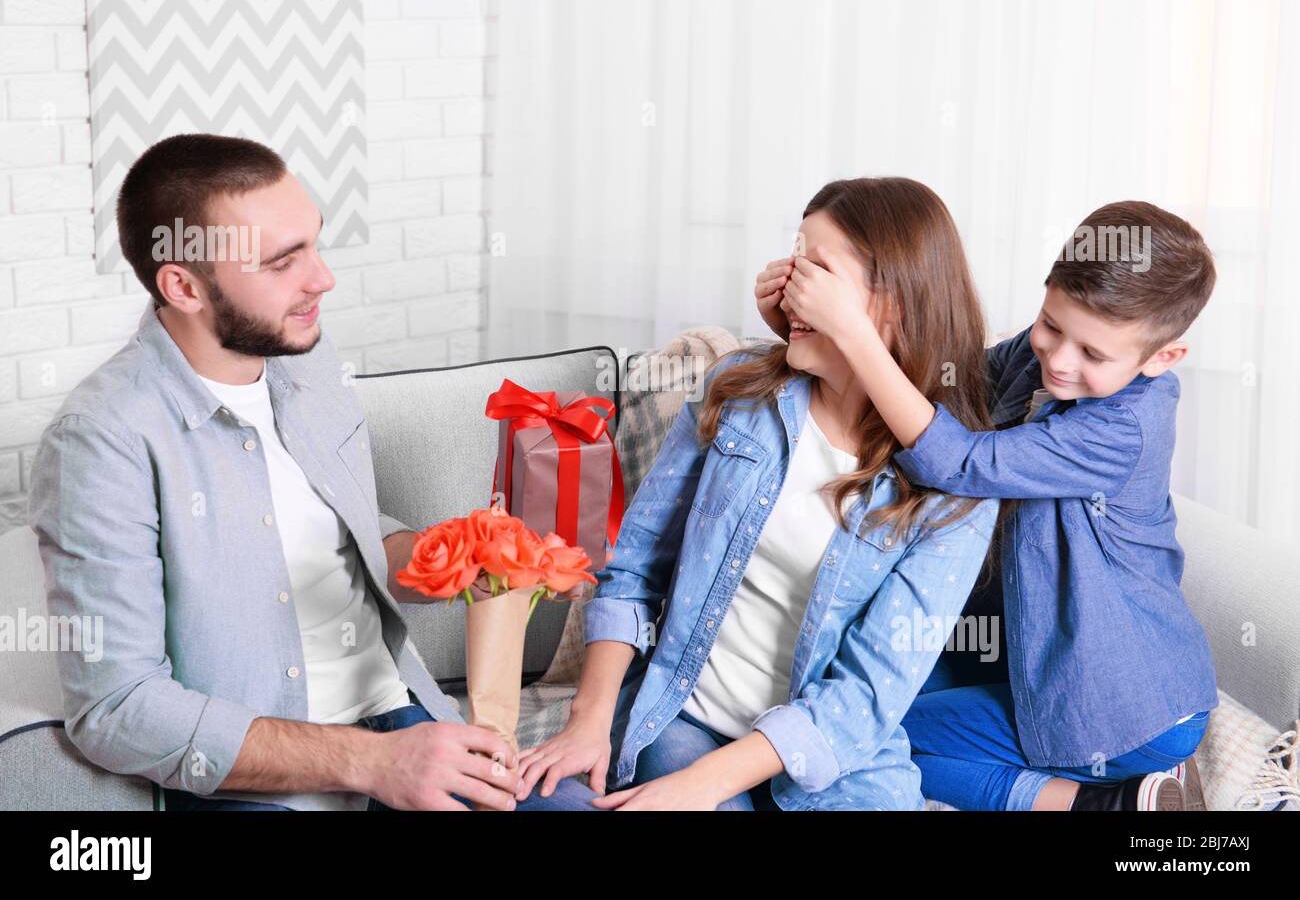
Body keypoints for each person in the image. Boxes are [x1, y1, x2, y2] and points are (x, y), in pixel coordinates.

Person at [28, 133, 598, 811]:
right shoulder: (101, 439)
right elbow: (117, 707)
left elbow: (338, 532)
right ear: (182, 285)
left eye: (314, 244)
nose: (322, 278)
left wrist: (446, 555)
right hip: (264, 781)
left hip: (403, 718)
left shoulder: (308, 361)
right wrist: (376, 761)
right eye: (282, 262)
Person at [514, 177, 1000, 810]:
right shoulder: (738, 392)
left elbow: (864, 699)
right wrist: (589, 719)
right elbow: (634, 570)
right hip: (688, 727)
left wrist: (693, 792)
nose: (789, 284)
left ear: (894, 304)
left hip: (833, 774)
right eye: (793, 258)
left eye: (818, 271)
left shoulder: (956, 498)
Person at [762, 198, 1217, 810]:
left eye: (1093, 354)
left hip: (1121, 703)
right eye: (1051, 325)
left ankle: (1099, 806)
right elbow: (937, 394)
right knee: (851, 693)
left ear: (1163, 358)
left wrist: (853, 331)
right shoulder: (1038, 363)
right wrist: (802, 329)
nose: (1057, 360)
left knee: (874, 738)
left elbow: (959, 460)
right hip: (1017, 653)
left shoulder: (1126, 427)